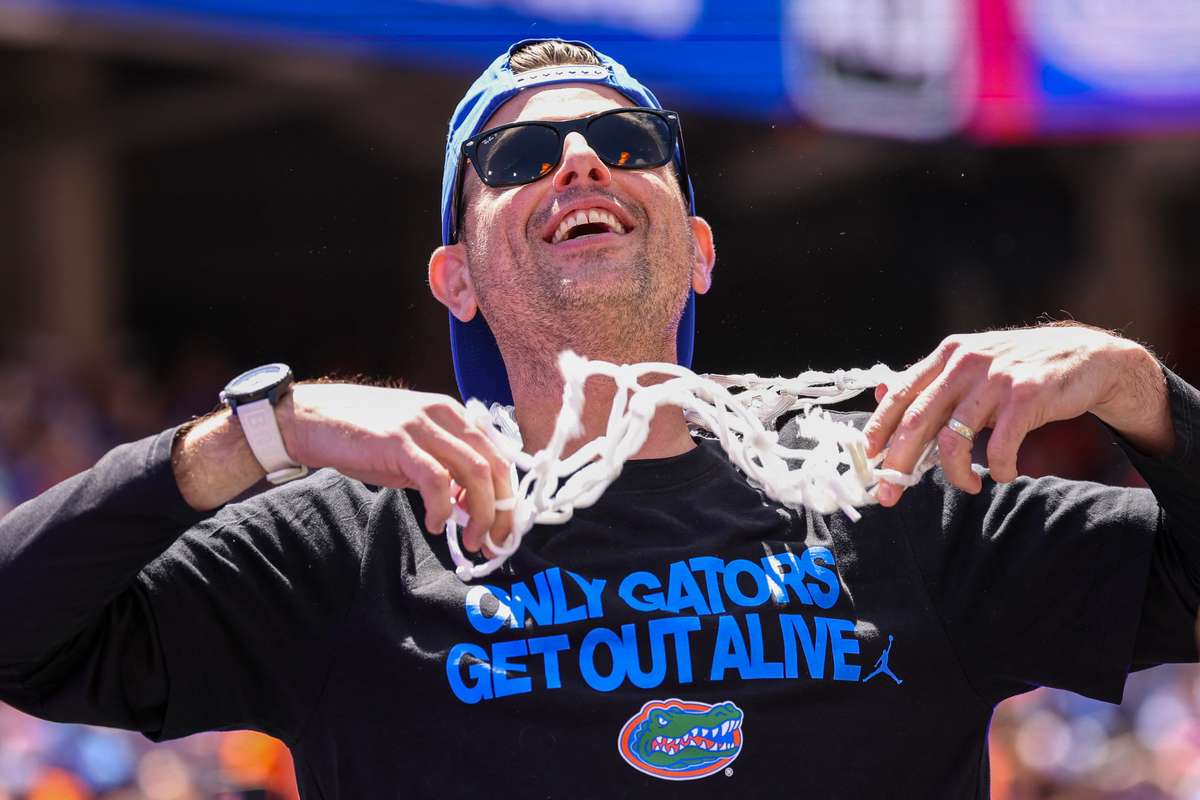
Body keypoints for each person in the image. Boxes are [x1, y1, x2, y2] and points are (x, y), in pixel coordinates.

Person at [0, 37, 1197, 798]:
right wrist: (256, 433)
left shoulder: (893, 494)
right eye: (520, 154)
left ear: (702, 252)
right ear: (455, 278)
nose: (579, 156)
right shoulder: (349, 543)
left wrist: (1135, 388)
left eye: (628, 143)